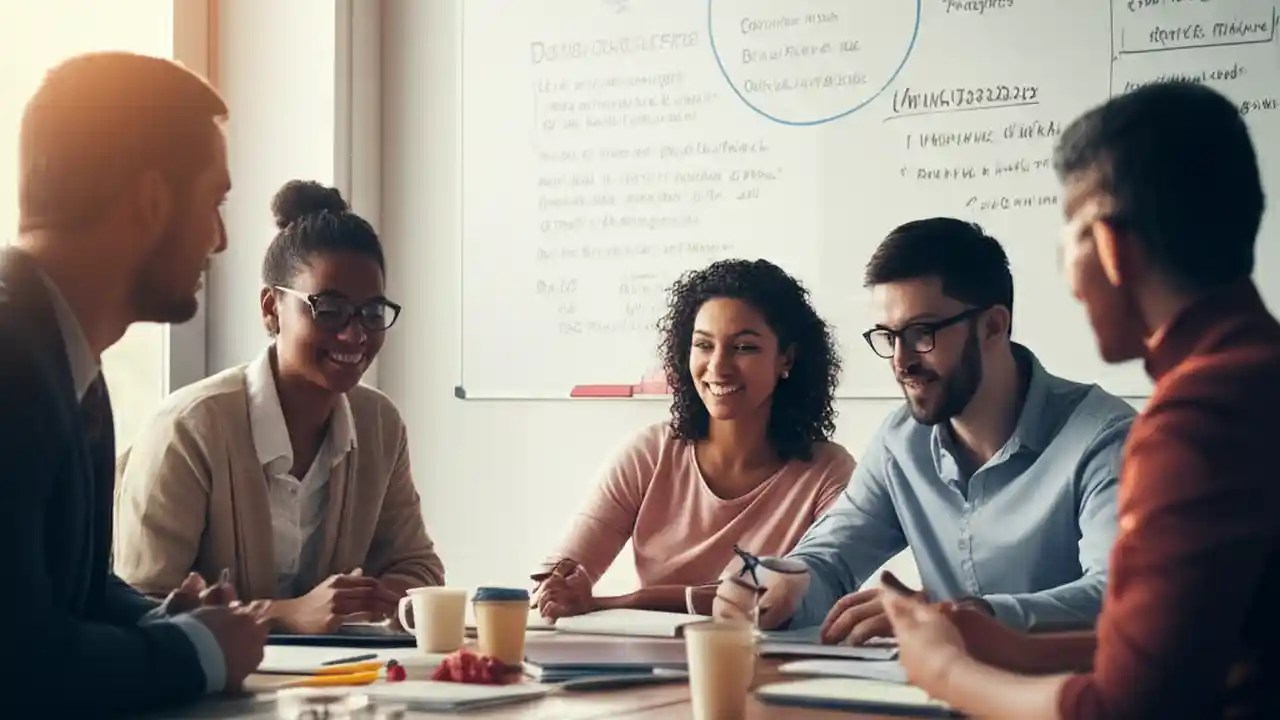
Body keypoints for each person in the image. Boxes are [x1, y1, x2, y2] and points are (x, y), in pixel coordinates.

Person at [881, 81, 1280, 719]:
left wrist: (945, 671)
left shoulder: (1200, 419)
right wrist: (1005, 645)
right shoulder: (1255, 377)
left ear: (1112, 247)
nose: (1067, 276)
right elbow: (1175, 653)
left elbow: (1123, 710)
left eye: (1070, 235)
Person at [716, 219, 1135, 644]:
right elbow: (831, 560)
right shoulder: (901, 442)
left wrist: (966, 618)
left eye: (922, 334)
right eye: (887, 336)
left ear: (993, 326)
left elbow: (1118, 596)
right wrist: (779, 586)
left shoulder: (1105, 439)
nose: (900, 361)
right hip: (941, 696)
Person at [0, 52, 267, 712]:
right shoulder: (11, 366)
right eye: (215, 201)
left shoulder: (59, 354)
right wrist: (199, 652)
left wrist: (163, 624)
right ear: (152, 200)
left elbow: (79, 593)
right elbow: (18, 663)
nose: (221, 239)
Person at [114, 180, 445, 634]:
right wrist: (286, 614)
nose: (355, 335)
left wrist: (376, 600)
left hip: (331, 687)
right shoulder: (191, 427)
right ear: (272, 308)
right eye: (328, 309)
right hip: (205, 690)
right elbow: (140, 607)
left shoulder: (378, 424)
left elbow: (419, 569)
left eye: (371, 312)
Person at [532, 259, 855, 619]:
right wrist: (558, 586)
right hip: (652, 665)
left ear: (786, 358)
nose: (718, 366)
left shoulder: (828, 472)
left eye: (744, 347)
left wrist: (628, 601)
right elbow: (559, 572)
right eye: (704, 345)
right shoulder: (649, 454)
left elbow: (791, 596)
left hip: (766, 666)